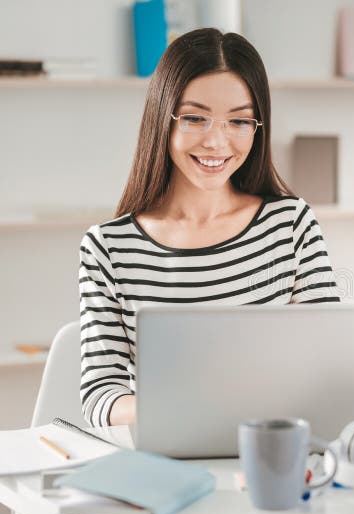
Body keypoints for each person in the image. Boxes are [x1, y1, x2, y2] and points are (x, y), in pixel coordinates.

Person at [79, 28, 339, 428]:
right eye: (195, 118)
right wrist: (194, 408)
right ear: (162, 118)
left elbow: (329, 364)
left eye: (238, 121)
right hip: (166, 460)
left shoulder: (290, 225)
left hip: (270, 447)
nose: (217, 142)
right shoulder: (108, 248)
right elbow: (101, 397)